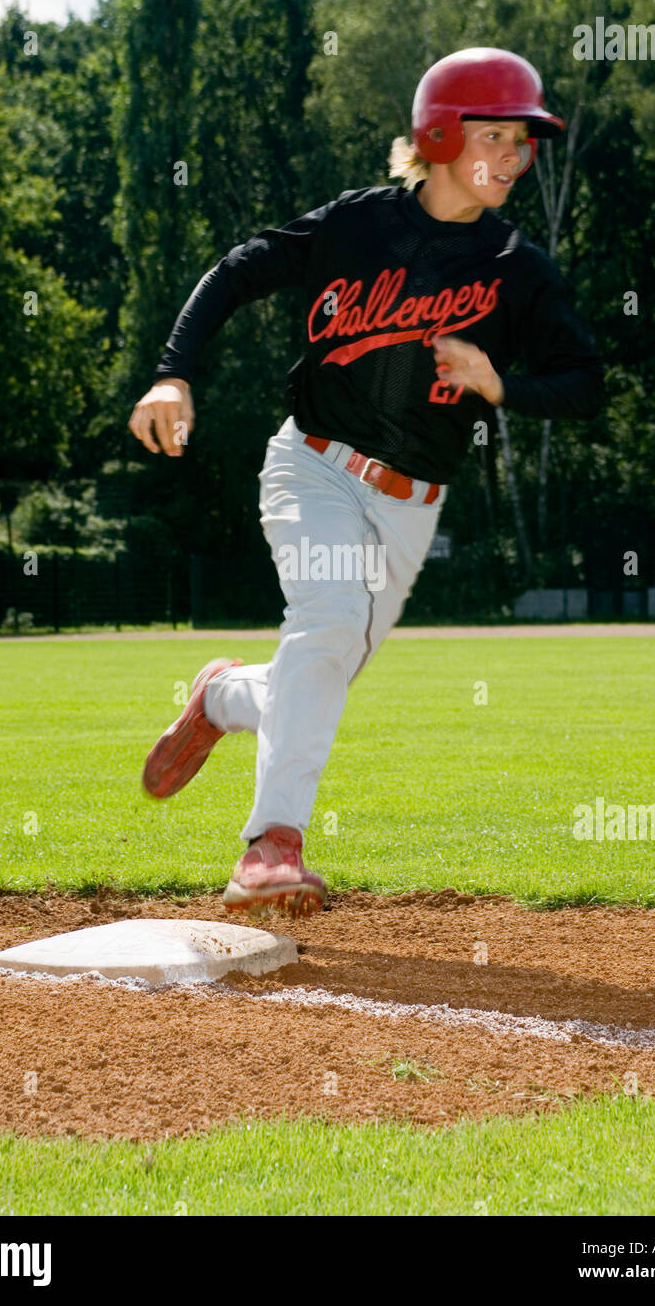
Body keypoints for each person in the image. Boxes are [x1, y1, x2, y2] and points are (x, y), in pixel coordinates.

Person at [128, 47, 605, 918]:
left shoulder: (515, 267)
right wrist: (172, 373)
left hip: (410, 509)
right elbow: (237, 271)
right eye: (491, 134)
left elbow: (585, 383)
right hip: (314, 463)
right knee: (328, 624)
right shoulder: (358, 226)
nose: (509, 156)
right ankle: (270, 847)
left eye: (521, 141)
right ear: (437, 132)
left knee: (319, 670)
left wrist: (502, 385)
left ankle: (223, 696)